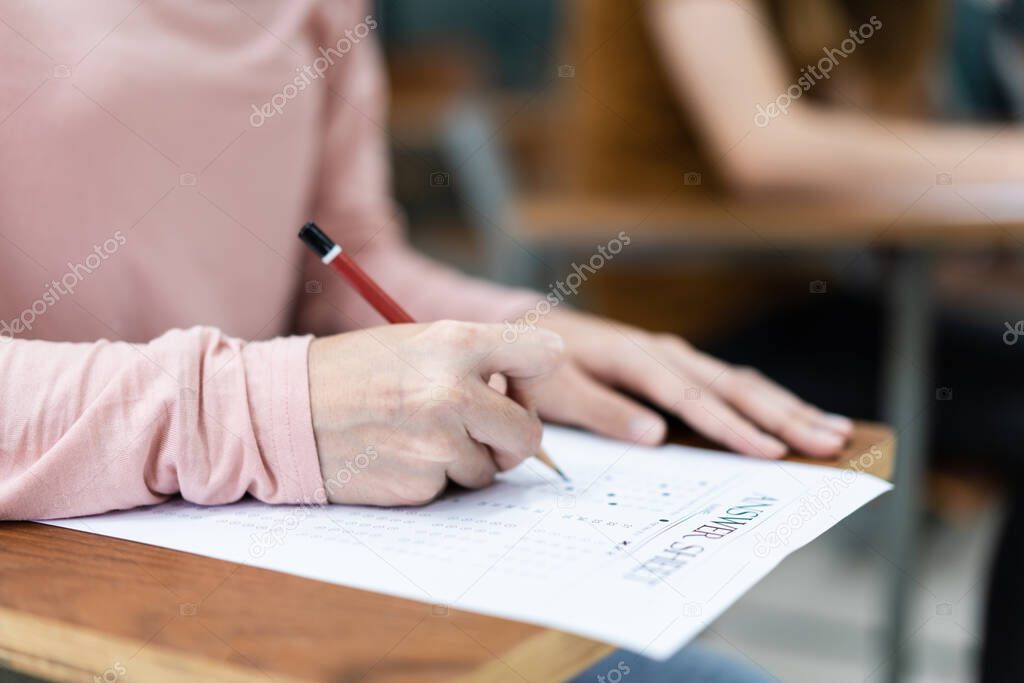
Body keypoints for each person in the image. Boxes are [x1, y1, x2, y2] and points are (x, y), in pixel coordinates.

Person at [0, 2, 849, 679]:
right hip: (54, 588)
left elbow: (340, 262)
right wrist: (271, 408)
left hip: (266, 553)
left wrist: (519, 334)